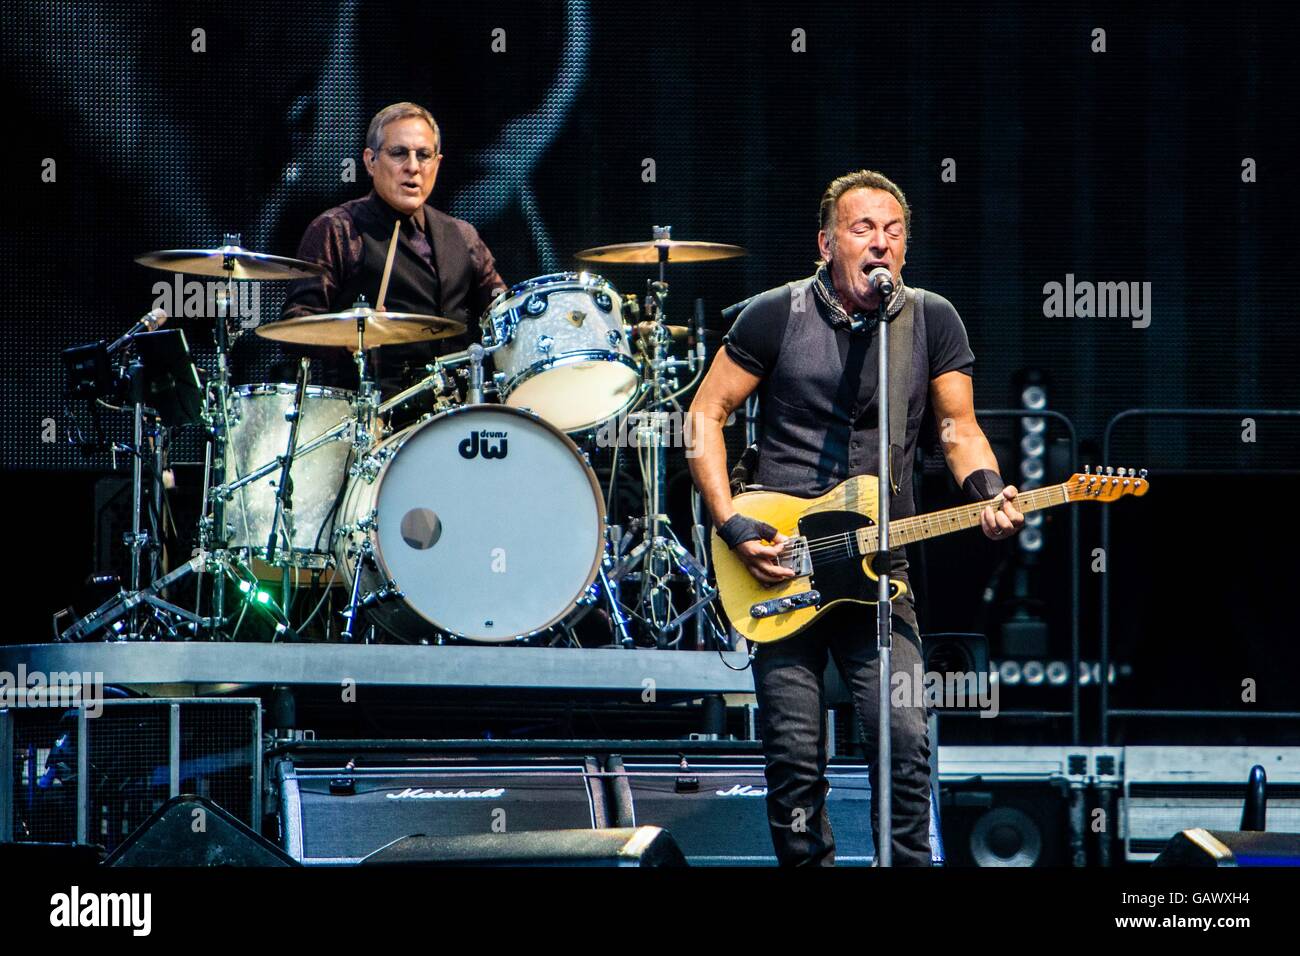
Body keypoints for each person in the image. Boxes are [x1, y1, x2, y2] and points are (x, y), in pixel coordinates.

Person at [687, 169, 1024, 866]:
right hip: (780, 561)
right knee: (795, 763)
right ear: (826, 242)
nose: (880, 243)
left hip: (879, 566)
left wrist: (987, 488)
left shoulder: (930, 318)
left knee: (904, 742)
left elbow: (956, 427)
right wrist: (730, 522)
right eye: (862, 228)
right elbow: (705, 413)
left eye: (893, 231)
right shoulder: (777, 314)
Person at [280, 101, 506, 400]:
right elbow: (296, 323)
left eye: (423, 155)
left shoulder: (462, 236)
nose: (413, 166)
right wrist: (348, 335)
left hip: (456, 416)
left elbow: (502, 311)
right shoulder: (337, 229)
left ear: (437, 164)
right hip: (371, 414)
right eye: (399, 153)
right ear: (370, 161)